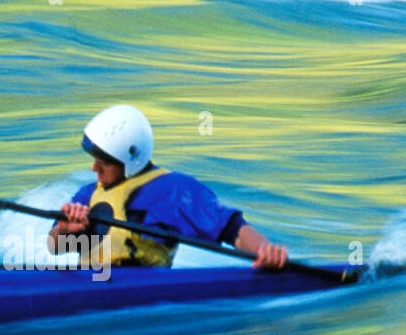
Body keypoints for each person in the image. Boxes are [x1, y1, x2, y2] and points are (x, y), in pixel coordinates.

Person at [47, 105, 288, 269]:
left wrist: (265, 251)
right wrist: (64, 230)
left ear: (131, 158)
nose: (94, 168)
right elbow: (55, 248)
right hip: (92, 283)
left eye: (105, 162)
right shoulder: (88, 194)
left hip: (143, 295)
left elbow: (231, 227)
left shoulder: (173, 192)